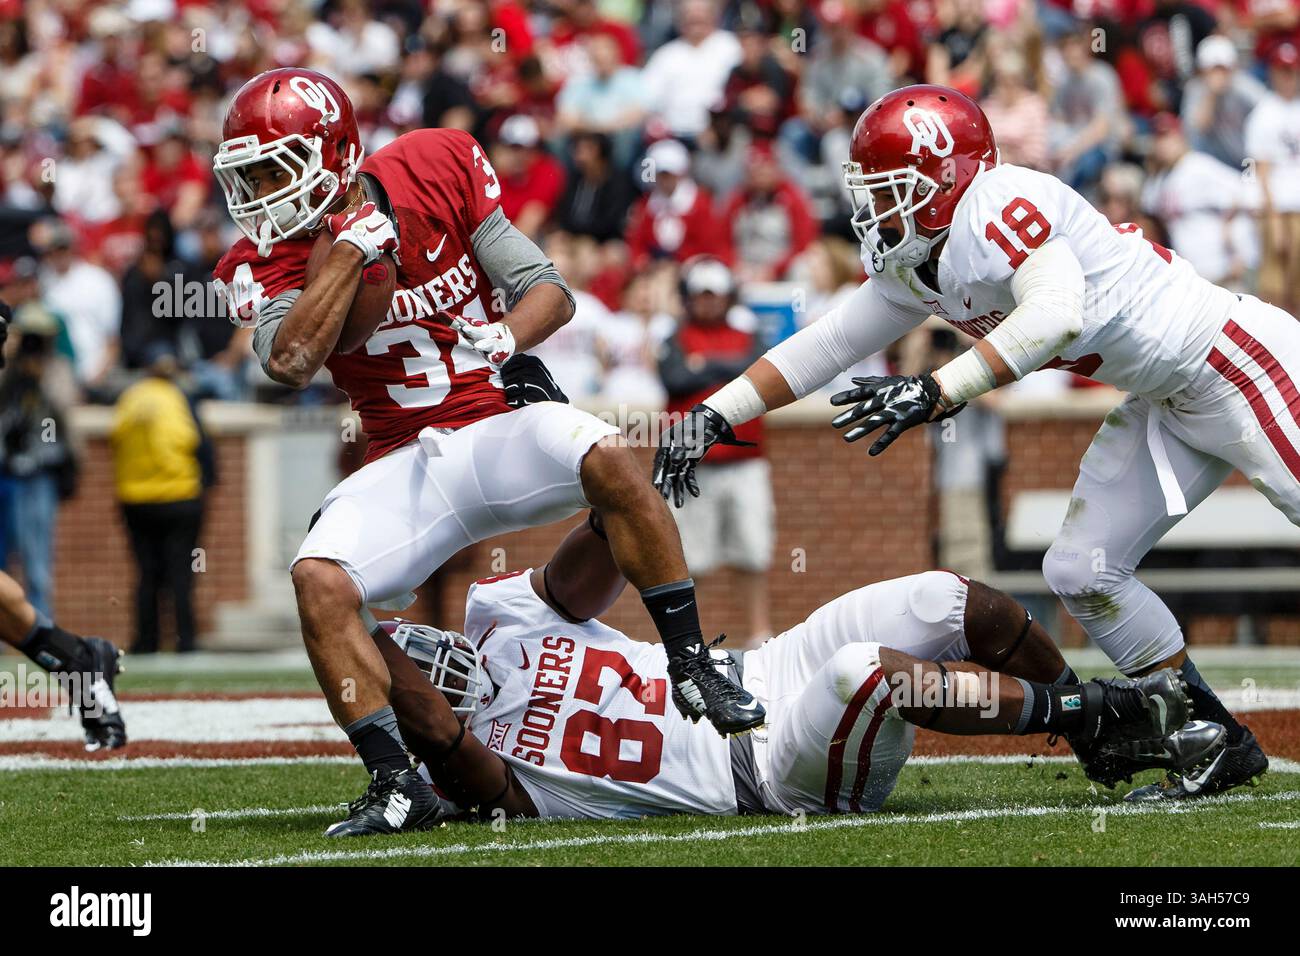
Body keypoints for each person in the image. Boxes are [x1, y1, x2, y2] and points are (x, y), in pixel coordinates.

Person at [654, 84, 1277, 802]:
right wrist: (713, 413)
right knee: (1083, 569)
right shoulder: (917, 262)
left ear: (948, 177)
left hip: (1235, 359)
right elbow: (824, 344)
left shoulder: (997, 204)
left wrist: (934, 389)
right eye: (871, 193)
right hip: (1166, 395)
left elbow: (1056, 312)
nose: (875, 211)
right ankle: (1217, 740)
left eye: (892, 191)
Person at [210, 69, 762, 837]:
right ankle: (398, 783)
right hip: (404, 454)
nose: (262, 192)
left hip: (493, 422)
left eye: (276, 168)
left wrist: (508, 335)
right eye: (251, 174)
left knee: (606, 453)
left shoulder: (434, 164)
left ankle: (692, 661)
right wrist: (345, 253)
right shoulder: (258, 258)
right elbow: (289, 361)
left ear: (334, 157)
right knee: (319, 581)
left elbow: (548, 289)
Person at [388, 511, 1215, 822]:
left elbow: (598, 552)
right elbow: (447, 744)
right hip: (771, 768)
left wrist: (611, 489)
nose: (427, 659)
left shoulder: (500, 611)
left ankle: (1095, 744)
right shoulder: (477, 775)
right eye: (404, 670)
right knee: (867, 671)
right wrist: (366, 655)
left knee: (945, 600)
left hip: (759, 670)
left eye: (411, 641)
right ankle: (1102, 710)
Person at [0, 298, 124, 750]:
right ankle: (78, 661)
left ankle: (77, 662)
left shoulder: (51, 374)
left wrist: (69, 466)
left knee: (32, 568)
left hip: (34, 477)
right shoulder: (15, 377)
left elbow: (62, 423)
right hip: (9, 474)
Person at [659, 258, 772, 644]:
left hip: (745, 462)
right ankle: (695, 641)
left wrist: (703, 365)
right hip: (693, 469)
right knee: (692, 561)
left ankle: (759, 633)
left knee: (753, 553)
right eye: (700, 296)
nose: (707, 303)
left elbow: (755, 370)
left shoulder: (747, 332)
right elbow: (674, 376)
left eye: (714, 295)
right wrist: (725, 369)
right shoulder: (673, 335)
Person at [110, 345, 213, 654]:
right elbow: (201, 445)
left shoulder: (130, 398)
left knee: (147, 573)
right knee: (181, 573)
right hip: (180, 495)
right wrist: (206, 484)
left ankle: (146, 641)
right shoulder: (181, 397)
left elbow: (116, 442)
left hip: (135, 499)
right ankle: (185, 640)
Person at [1244, 42, 1300, 315]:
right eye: (1283, 71)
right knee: (1274, 288)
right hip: (1277, 207)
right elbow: (1261, 171)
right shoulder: (1265, 113)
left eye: (1292, 71)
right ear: (1273, 73)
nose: (1288, 78)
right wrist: (1274, 219)